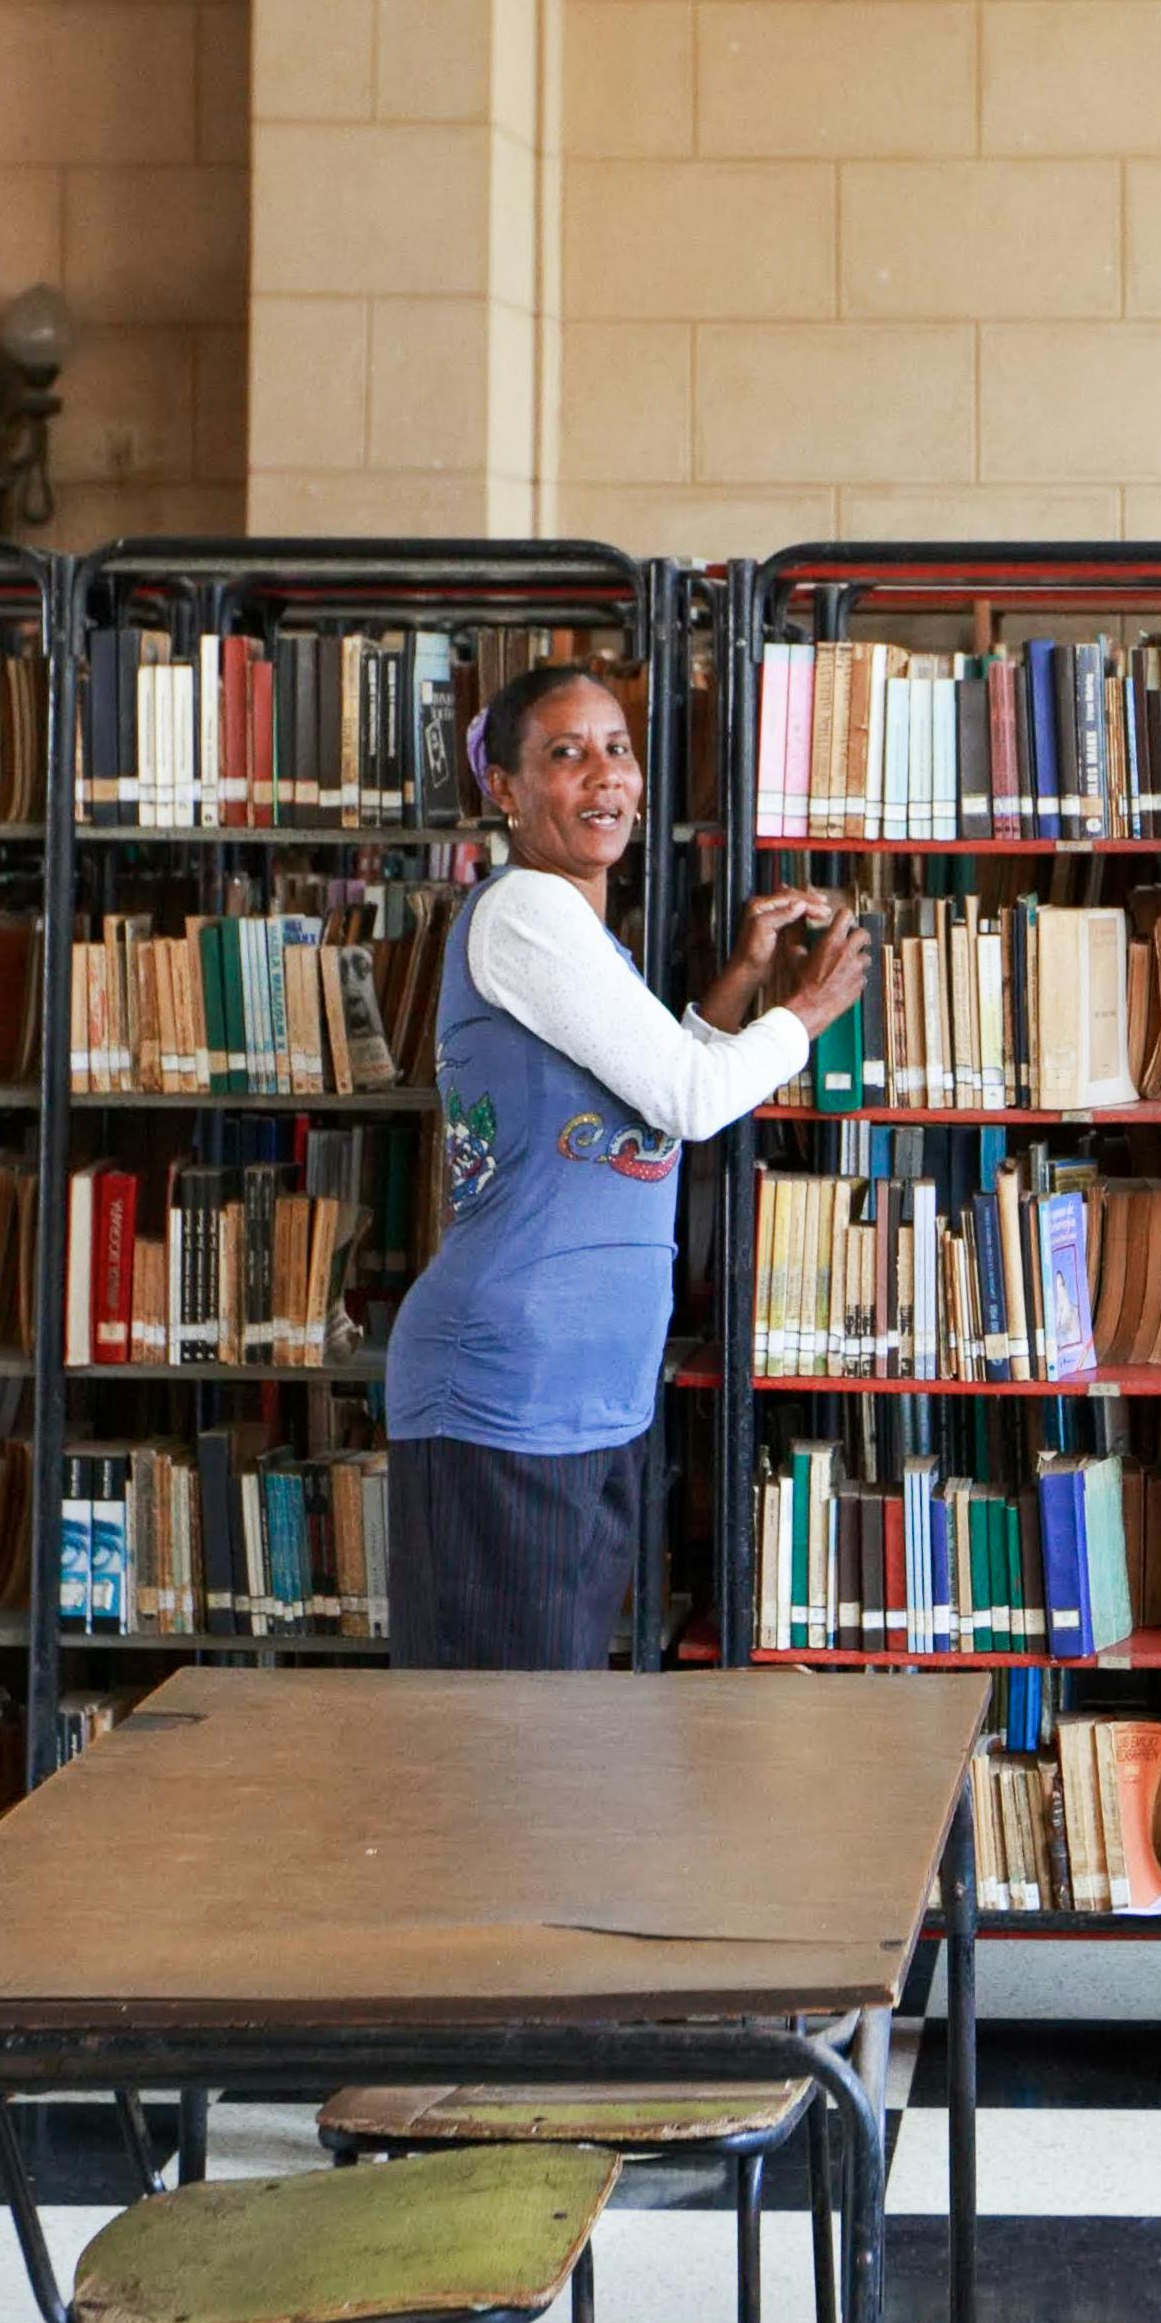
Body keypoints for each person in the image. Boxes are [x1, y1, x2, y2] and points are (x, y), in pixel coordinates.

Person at [384, 662, 869, 1669]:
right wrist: (807, 1011)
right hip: (507, 1392)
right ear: (507, 792)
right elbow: (693, 1099)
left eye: (617, 748)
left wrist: (738, 983)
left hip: (583, 1392)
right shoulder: (527, 909)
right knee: (502, 1746)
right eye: (565, 754)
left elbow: (649, 1109)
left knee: (549, 1737)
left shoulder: (578, 930)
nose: (605, 774)